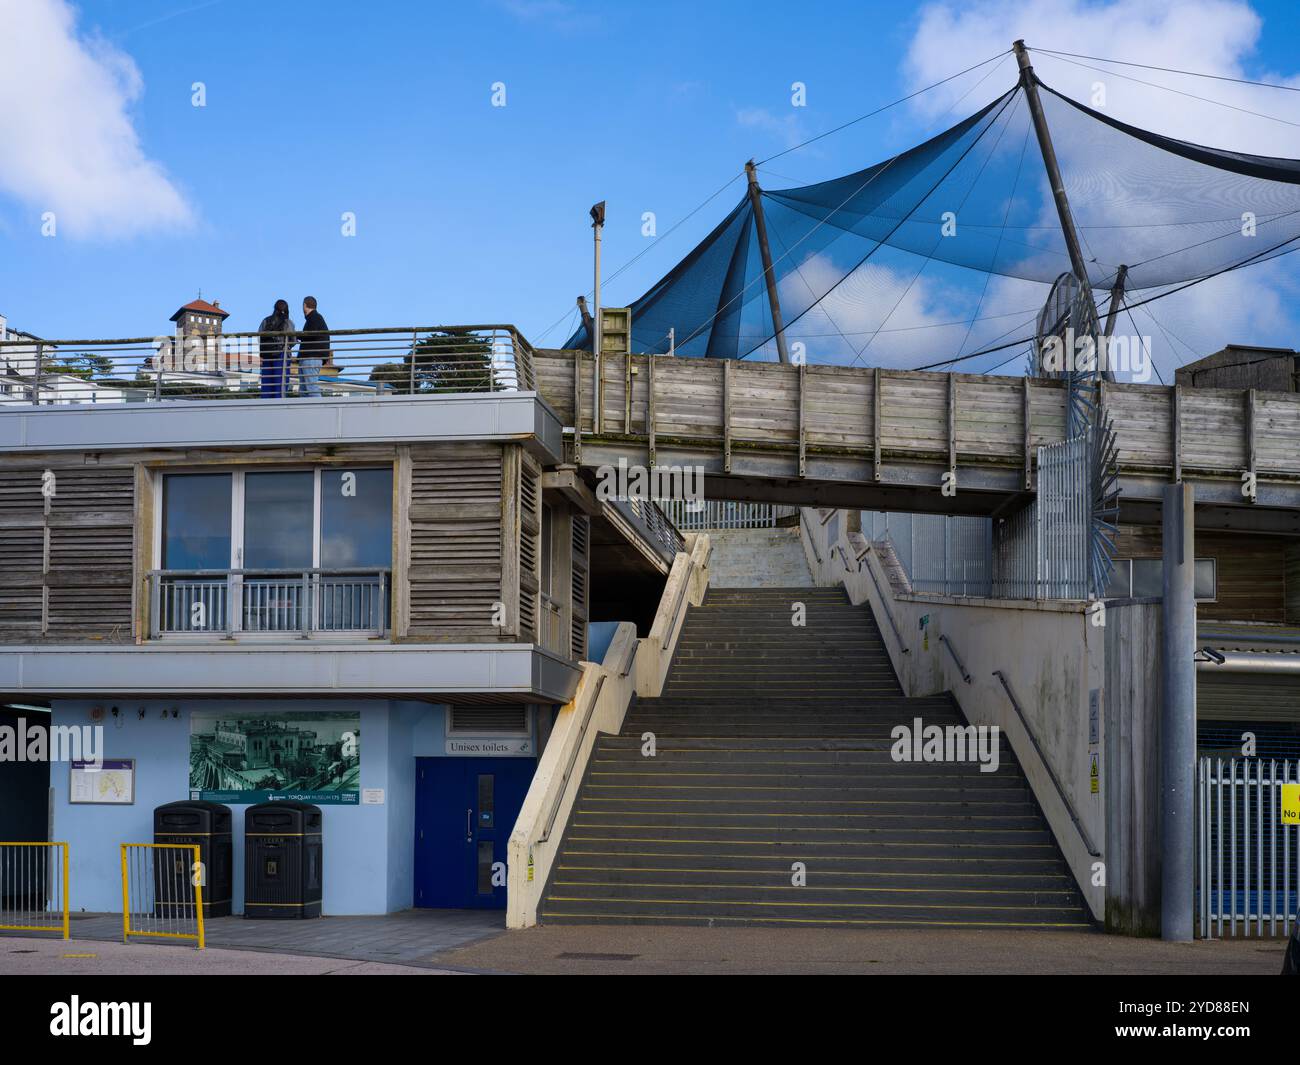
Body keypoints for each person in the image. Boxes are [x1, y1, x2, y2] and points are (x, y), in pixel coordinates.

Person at [256, 300, 295, 398]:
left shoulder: (266, 321)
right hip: (281, 355)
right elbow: (293, 341)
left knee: (267, 383)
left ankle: (266, 403)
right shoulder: (288, 322)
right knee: (280, 383)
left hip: (267, 355)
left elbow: (259, 337)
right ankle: (279, 403)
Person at [297, 296, 330, 397]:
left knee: (311, 388)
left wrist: (297, 335)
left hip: (311, 357)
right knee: (304, 389)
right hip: (310, 357)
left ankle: (318, 407)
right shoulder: (315, 318)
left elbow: (310, 334)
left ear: (304, 305)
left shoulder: (314, 317)